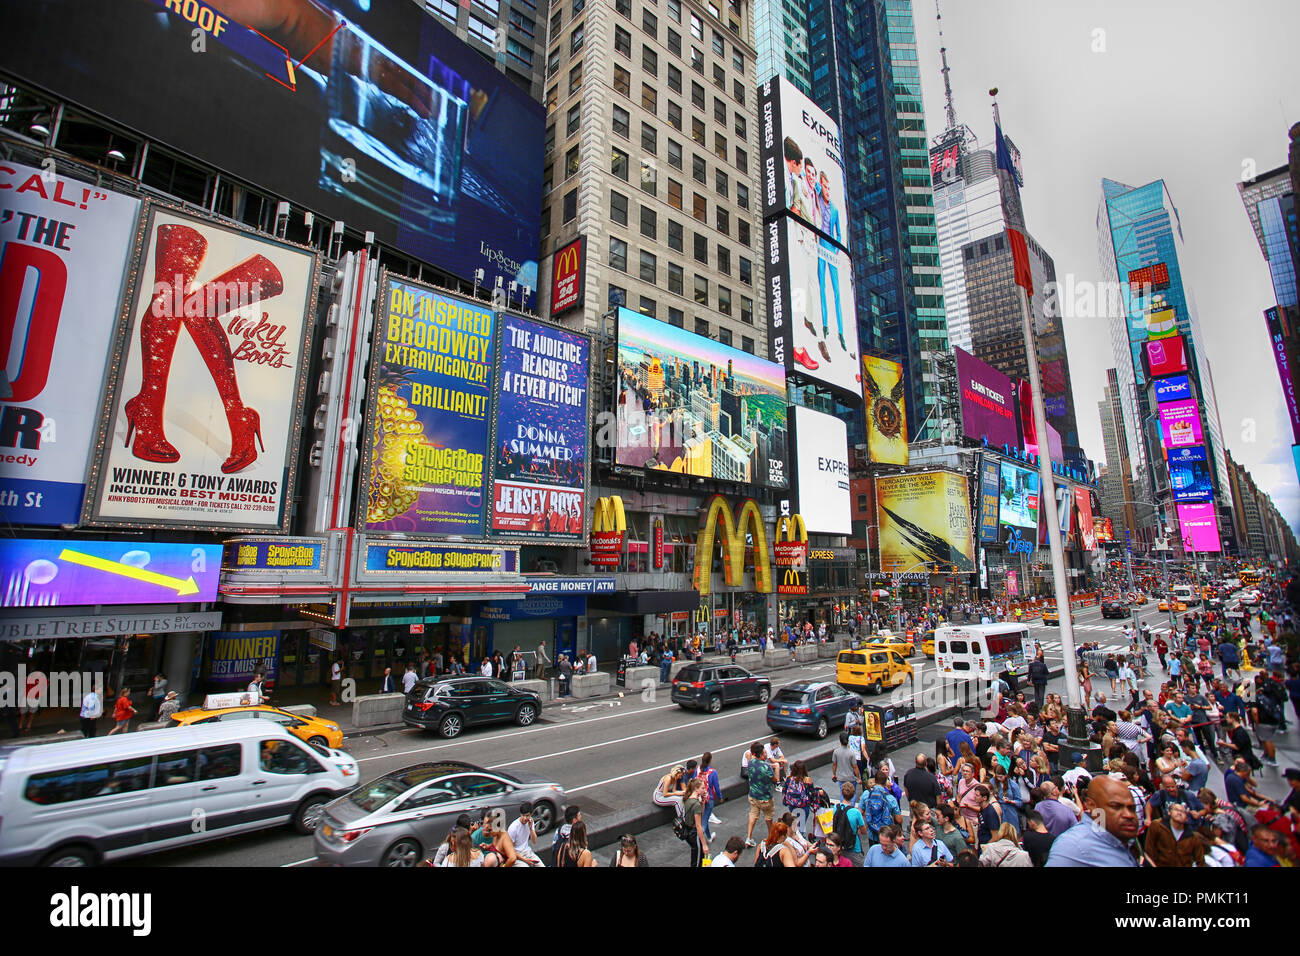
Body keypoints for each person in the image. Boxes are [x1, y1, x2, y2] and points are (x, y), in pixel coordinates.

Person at [1045, 776, 1139, 867]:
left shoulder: (1124, 838)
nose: (1129, 815)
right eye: (1116, 807)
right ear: (1092, 805)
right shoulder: (1073, 845)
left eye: (1132, 808)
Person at [1144, 801, 1207, 867]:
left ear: (1187, 819)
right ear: (1169, 812)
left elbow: (1200, 861)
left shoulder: (1193, 837)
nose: (1179, 813)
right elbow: (1148, 852)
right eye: (1176, 810)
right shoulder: (1157, 826)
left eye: (1183, 812)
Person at [743, 742, 776, 847]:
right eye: (765, 752)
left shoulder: (751, 762)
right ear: (761, 755)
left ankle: (749, 837)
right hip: (765, 797)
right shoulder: (766, 767)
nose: (766, 754)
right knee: (768, 817)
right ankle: (771, 838)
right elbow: (774, 779)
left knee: (753, 815)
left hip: (753, 795)